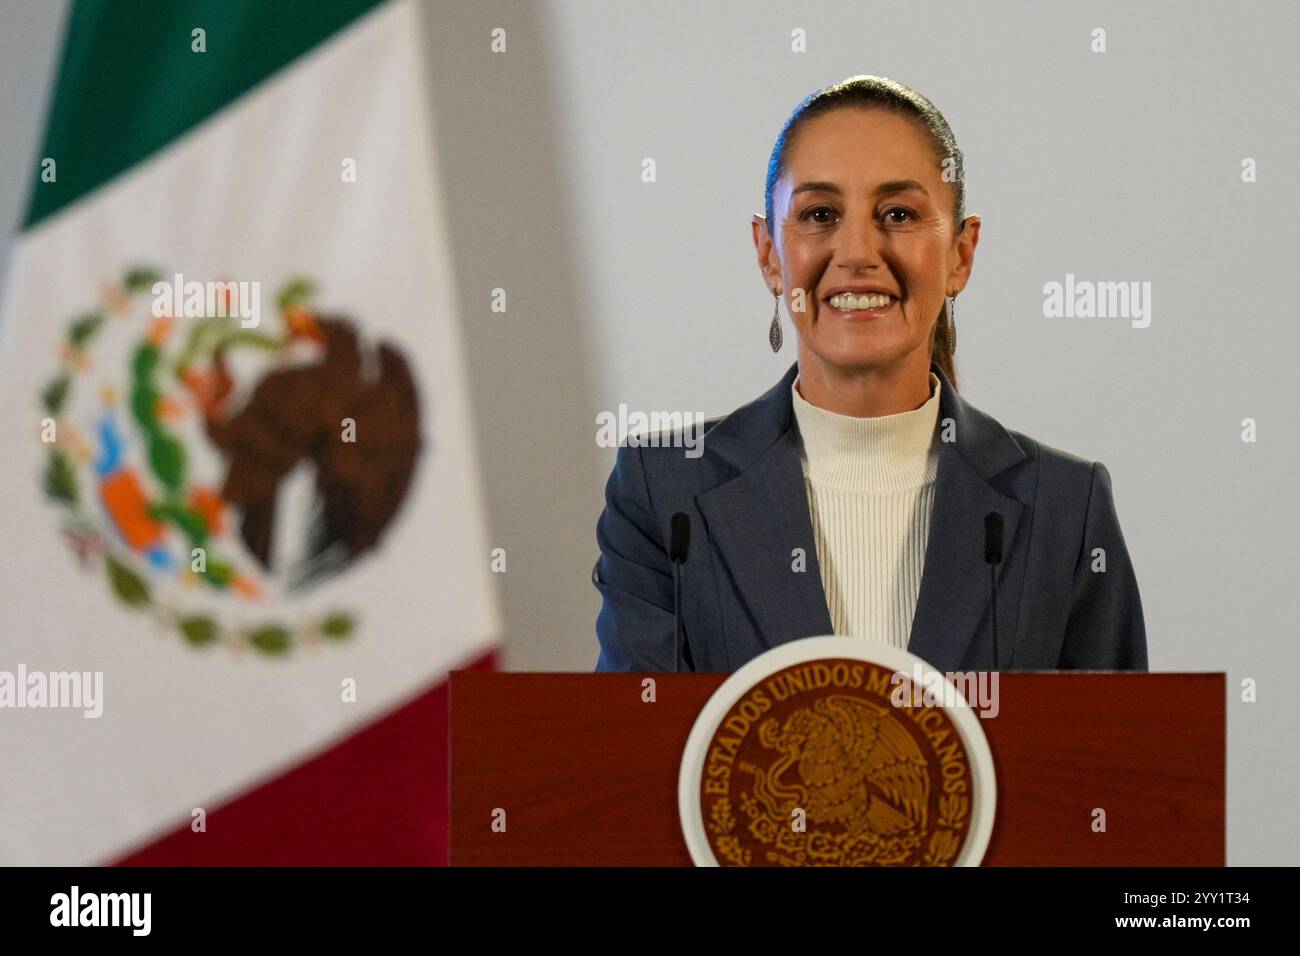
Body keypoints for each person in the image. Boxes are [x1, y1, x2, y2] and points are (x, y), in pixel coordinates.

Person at [593, 75, 1148, 674]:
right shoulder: (663, 495)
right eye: (821, 213)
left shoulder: (1065, 507)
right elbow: (639, 758)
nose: (857, 252)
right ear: (769, 254)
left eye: (899, 213)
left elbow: (1113, 760)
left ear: (961, 255)